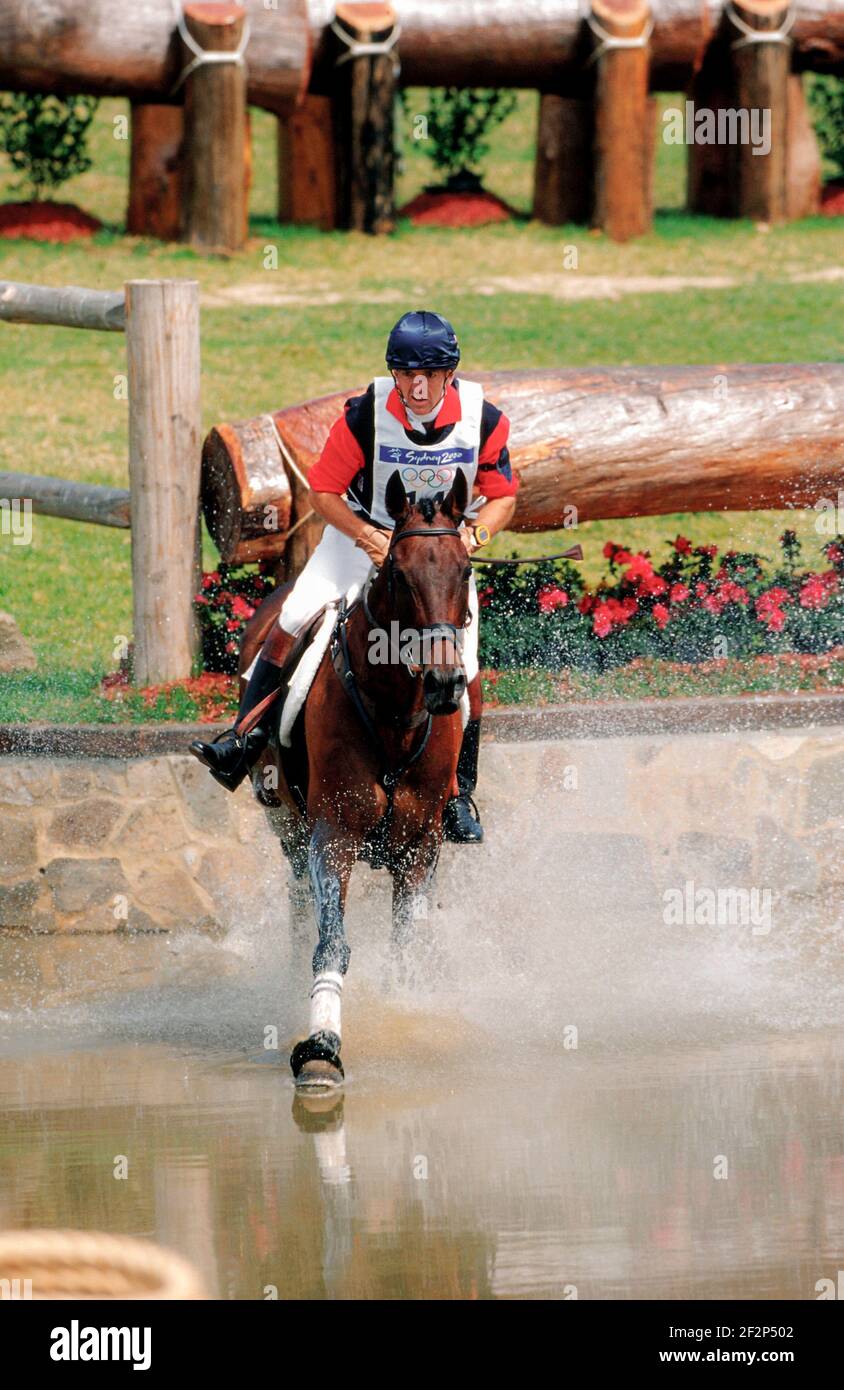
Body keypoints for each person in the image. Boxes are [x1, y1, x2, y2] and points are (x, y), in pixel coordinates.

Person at [190, 310, 518, 842]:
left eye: (429, 374)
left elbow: (502, 496)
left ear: (448, 373)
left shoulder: (485, 419)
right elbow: (323, 491)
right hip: (360, 539)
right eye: (405, 373)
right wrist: (370, 538)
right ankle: (243, 740)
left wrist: (473, 538)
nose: (416, 386)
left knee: (468, 659)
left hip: (434, 559)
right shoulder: (365, 415)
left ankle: (460, 792)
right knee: (295, 613)